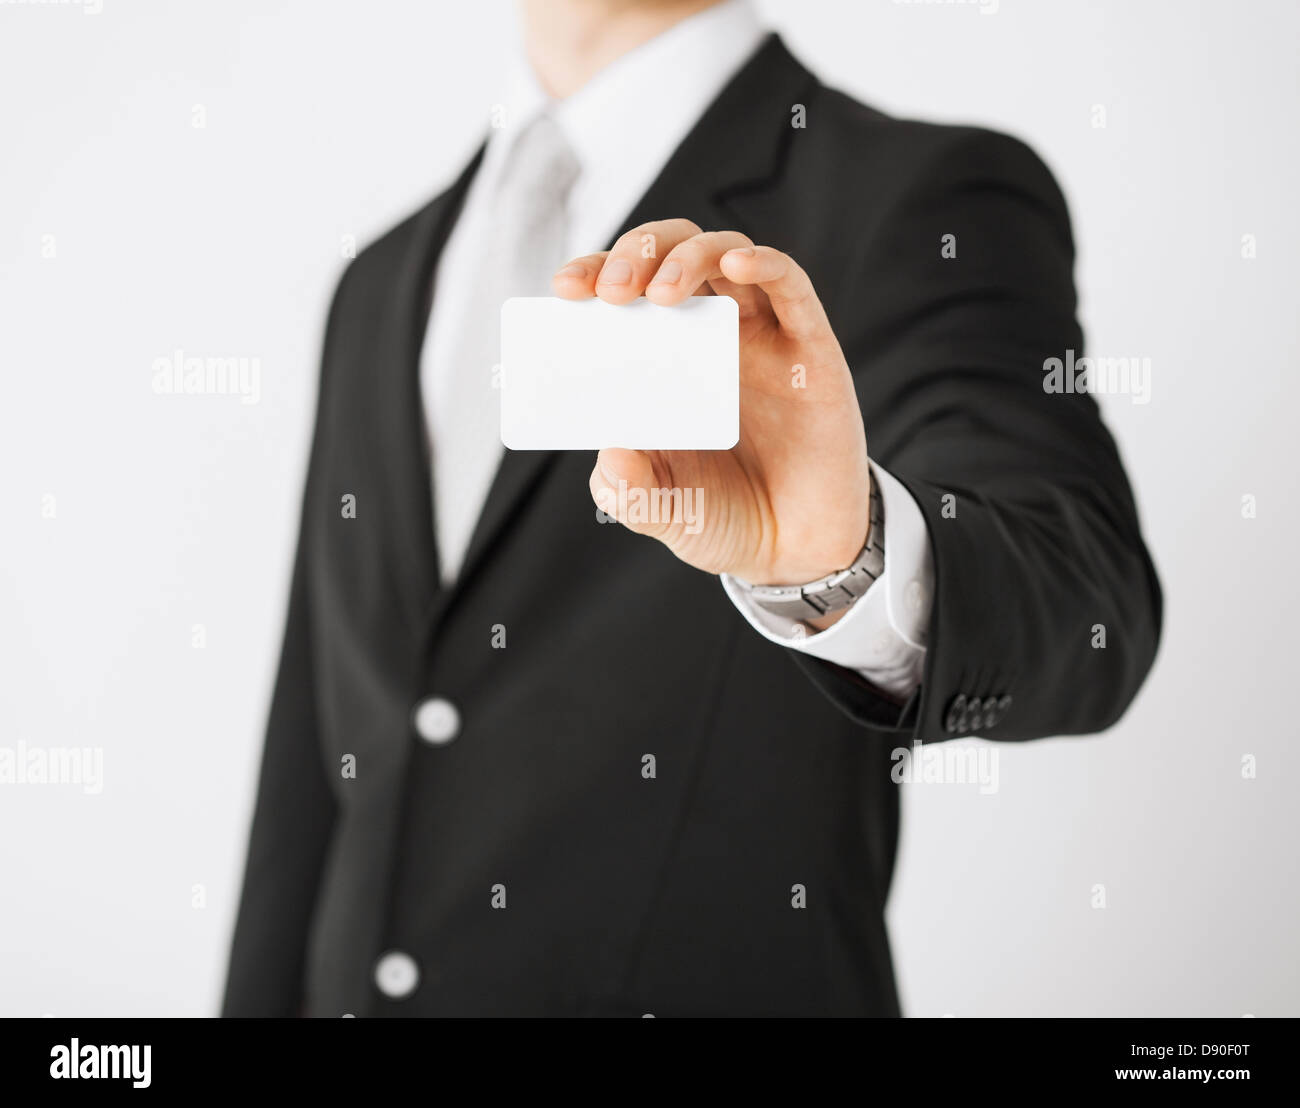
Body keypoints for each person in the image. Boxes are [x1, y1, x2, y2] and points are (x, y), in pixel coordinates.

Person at [223, 0, 1161, 1017]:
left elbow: (1086, 604)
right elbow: (309, 776)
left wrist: (840, 555)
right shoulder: (378, 281)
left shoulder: (921, 196)